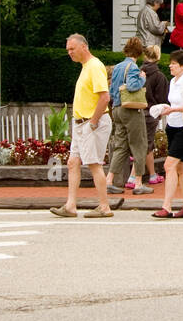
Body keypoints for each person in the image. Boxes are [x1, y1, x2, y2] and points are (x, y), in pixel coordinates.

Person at [50, 34, 116, 219]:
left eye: (72, 49)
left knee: (94, 164)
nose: (69, 53)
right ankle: (71, 205)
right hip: (82, 122)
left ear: (84, 47)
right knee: (73, 163)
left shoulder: (94, 66)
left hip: (91, 122)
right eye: (68, 50)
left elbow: (104, 97)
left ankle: (104, 206)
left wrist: (93, 122)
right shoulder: (87, 67)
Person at [152, 49, 183, 218]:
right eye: (170, 63)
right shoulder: (173, 81)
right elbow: (174, 103)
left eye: (173, 63)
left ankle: (167, 206)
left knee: (168, 165)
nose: (170, 66)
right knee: (182, 168)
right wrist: (167, 108)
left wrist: (175, 109)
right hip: (172, 125)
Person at [105, 37, 153, 196]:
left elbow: (112, 90)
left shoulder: (117, 67)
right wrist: (142, 78)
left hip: (117, 109)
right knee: (140, 144)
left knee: (120, 146)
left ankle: (109, 180)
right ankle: (138, 182)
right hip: (131, 110)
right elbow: (132, 86)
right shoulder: (133, 67)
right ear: (139, 53)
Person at [139, 45, 167, 186]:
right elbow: (162, 98)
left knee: (137, 143)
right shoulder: (159, 76)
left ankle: (135, 174)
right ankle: (151, 174)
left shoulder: (137, 72)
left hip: (136, 110)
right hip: (151, 112)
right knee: (148, 144)